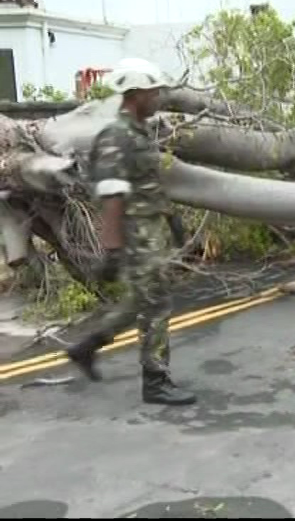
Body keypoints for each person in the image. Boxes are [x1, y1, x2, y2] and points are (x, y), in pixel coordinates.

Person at [65, 57, 196, 405]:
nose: (159, 98)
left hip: (151, 229)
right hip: (136, 236)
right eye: (154, 92)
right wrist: (111, 249)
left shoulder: (139, 132)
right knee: (156, 304)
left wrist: (172, 218)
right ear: (136, 94)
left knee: (143, 299)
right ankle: (155, 381)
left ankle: (87, 347)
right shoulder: (116, 136)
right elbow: (111, 195)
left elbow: (147, 184)